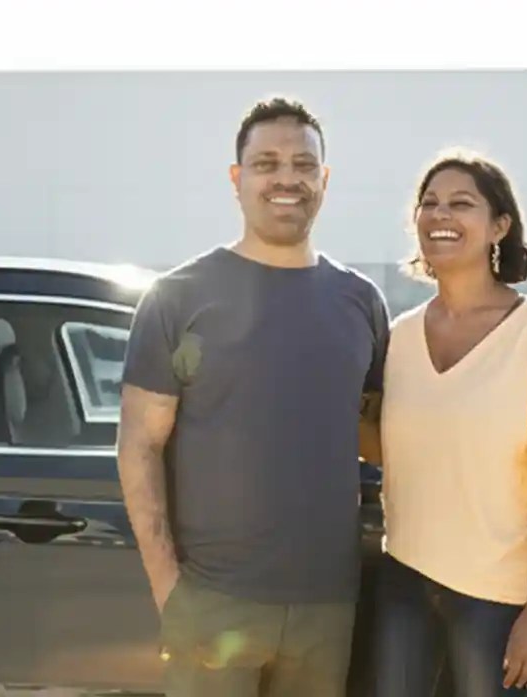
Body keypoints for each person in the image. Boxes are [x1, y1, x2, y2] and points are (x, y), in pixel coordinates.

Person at [115, 95, 389, 697]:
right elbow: (138, 444)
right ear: (237, 180)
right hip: (212, 601)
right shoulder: (178, 297)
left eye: (303, 164)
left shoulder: (360, 302)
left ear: (325, 179)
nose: (286, 178)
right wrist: (170, 589)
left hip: (328, 606)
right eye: (266, 163)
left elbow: (378, 437)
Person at [369, 149, 527, 696]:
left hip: (499, 599)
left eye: (461, 204)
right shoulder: (398, 335)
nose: (440, 215)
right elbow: (389, 450)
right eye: (429, 204)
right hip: (404, 579)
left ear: (500, 226)